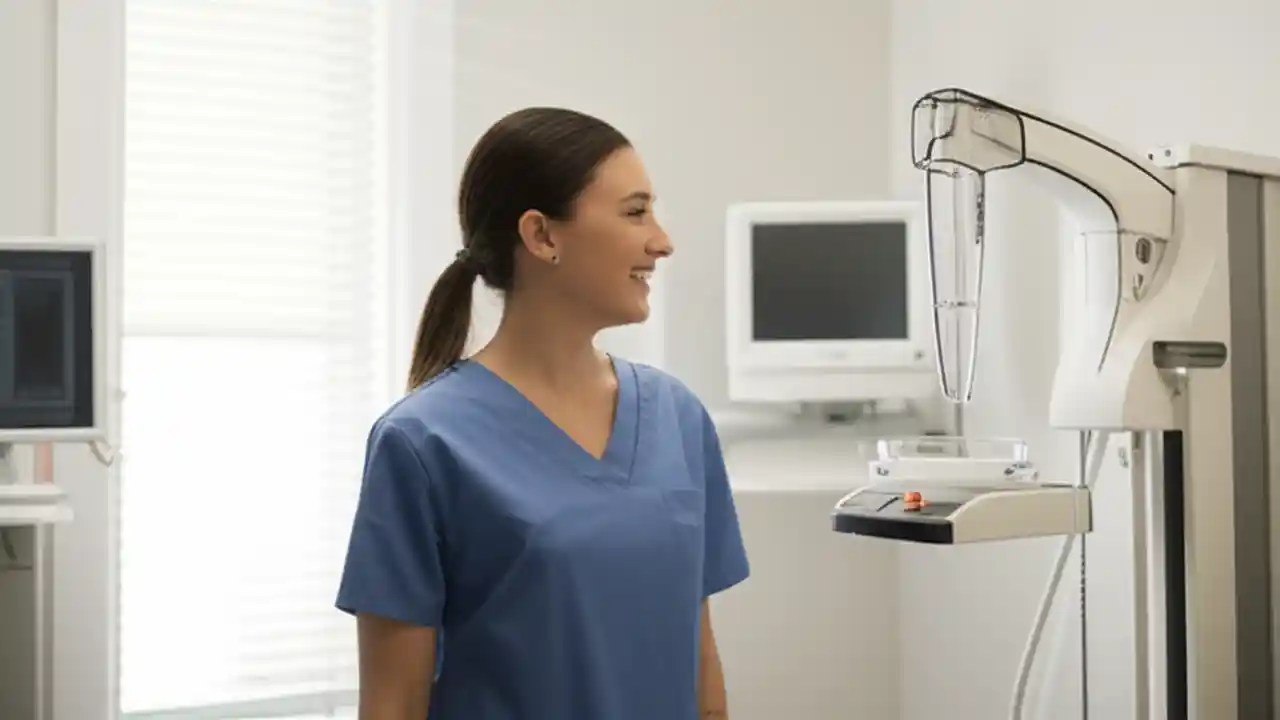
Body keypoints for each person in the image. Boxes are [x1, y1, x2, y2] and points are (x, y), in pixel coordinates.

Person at [335, 106, 750, 719]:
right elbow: (393, 704)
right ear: (543, 236)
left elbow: (701, 670)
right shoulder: (422, 442)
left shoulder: (678, 419)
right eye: (635, 212)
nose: (661, 241)